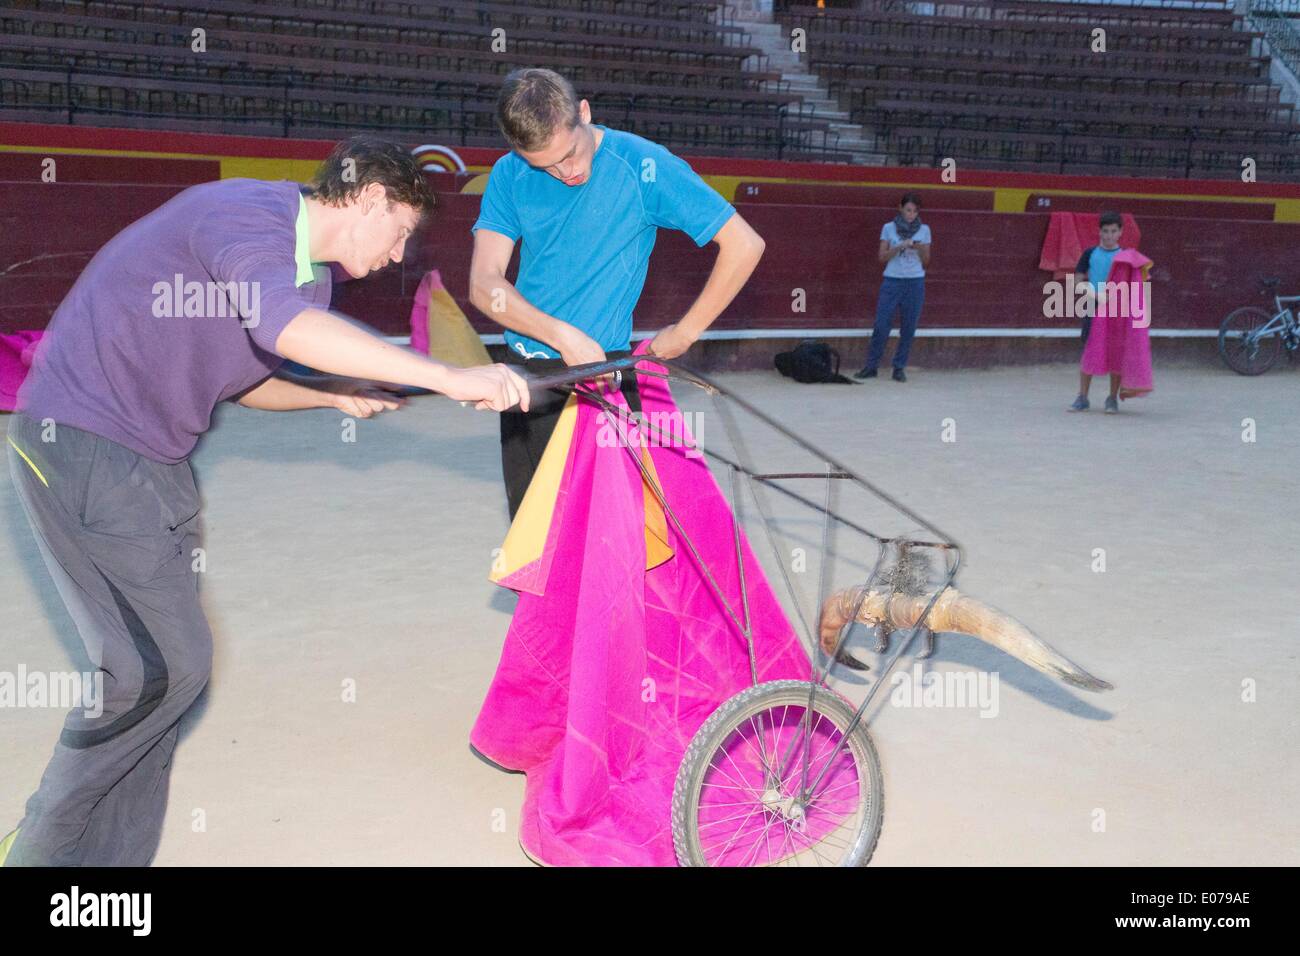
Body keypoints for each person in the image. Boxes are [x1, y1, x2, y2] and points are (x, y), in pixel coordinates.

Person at [1, 135, 529, 866]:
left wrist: (330, 395)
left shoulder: (308, 284)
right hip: (82, 439)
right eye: (403, 231)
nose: (401, 254)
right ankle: (39, 852)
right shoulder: (248, 214)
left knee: (164, 677)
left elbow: (246, 376)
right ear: (371, 197)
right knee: (155, 672)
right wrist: (448, 376)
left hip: (149, 462)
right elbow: (285, 329)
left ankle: (104, 876)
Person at [468, 67, 766, 519]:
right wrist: (563, 336)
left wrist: (684, 334)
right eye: (543, 165)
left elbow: (745, 244)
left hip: (603, 375)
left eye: (568, 154)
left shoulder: (642, 164)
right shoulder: (510, 173)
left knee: (612, 544)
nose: (564, 172)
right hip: (527, 380)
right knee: (535, 549)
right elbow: (483, 284)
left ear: (584, 112)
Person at [855, 193, 931, 382]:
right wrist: (900, 247)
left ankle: (899, 367)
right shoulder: (889, 228)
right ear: (901, 208)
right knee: (881, 325)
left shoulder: (924, 230)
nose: (911, 215)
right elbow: (882, 257)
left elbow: (927, 261)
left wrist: (920, 248)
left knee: (908, 327)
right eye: (908, 210)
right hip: (892, 280)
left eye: (914, 211)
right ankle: (871, 366)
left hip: (915, 282)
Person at [1069, 211, 1125, 412]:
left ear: (1120, 233)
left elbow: (1136, 285)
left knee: (1116, 353)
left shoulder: (1127, 257)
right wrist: (1095, 294)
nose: (1109, 236)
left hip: (1119, 310)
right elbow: (1076, 282)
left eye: (1113, 231)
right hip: (1094, 306)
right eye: (1105, 231)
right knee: (1089, 350)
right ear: (1099, 232)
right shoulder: (1089, 254)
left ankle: (1112, 398)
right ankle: (1082, 397)